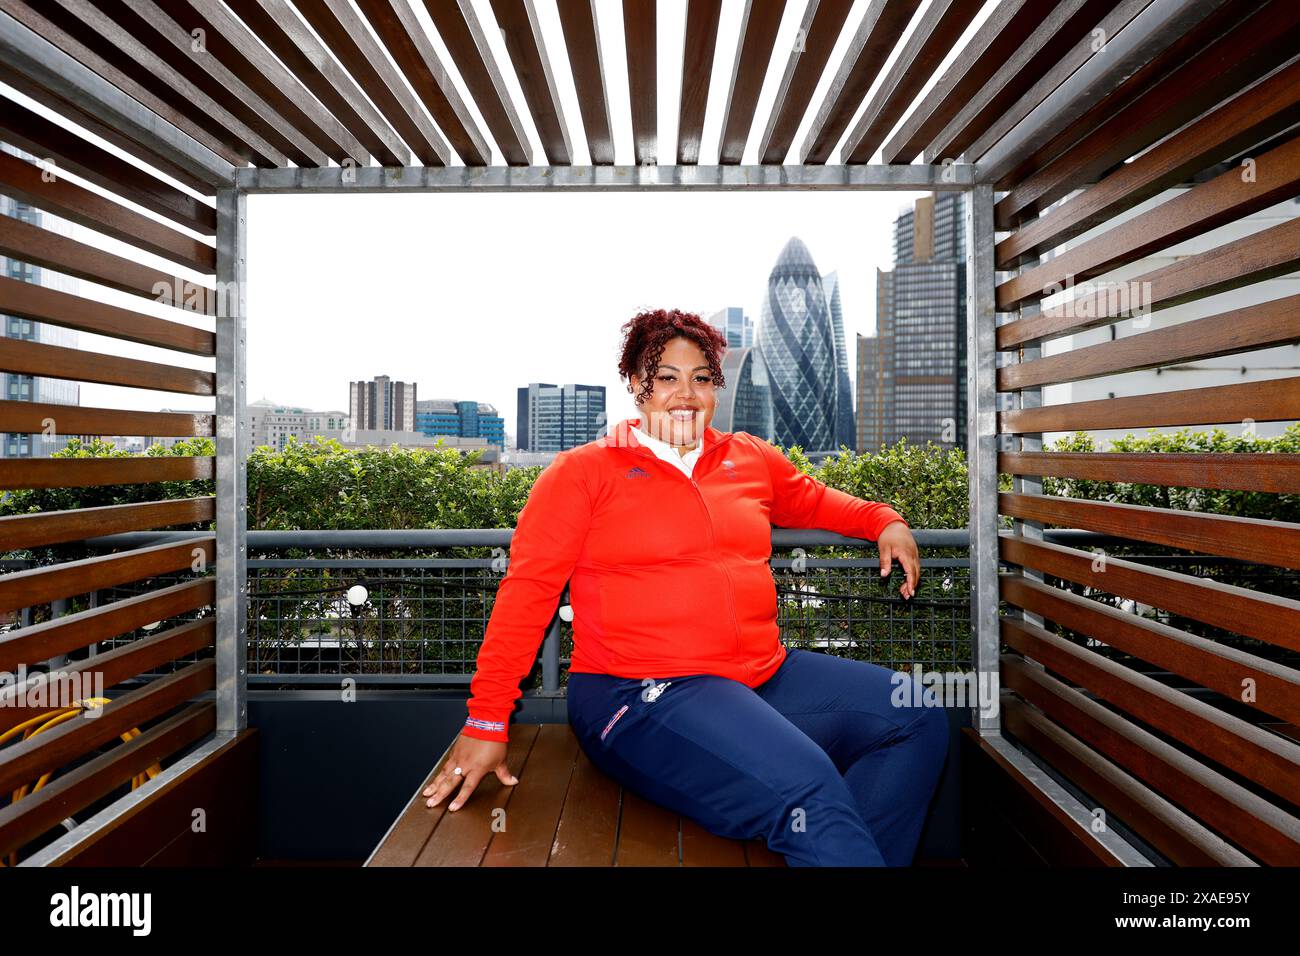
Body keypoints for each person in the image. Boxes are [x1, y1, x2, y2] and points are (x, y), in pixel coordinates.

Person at [423, 308, 949, 866]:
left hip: (759, 676)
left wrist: (883, 520)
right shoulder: (581, 474)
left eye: (700, 378)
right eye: (666, 377)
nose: (685, 393)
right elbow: (527, 594)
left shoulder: (747, 458)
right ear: (634, 385)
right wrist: (487, 717)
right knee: (809, 788)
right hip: (637, 693)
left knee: (913, 715)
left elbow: (815, 500)